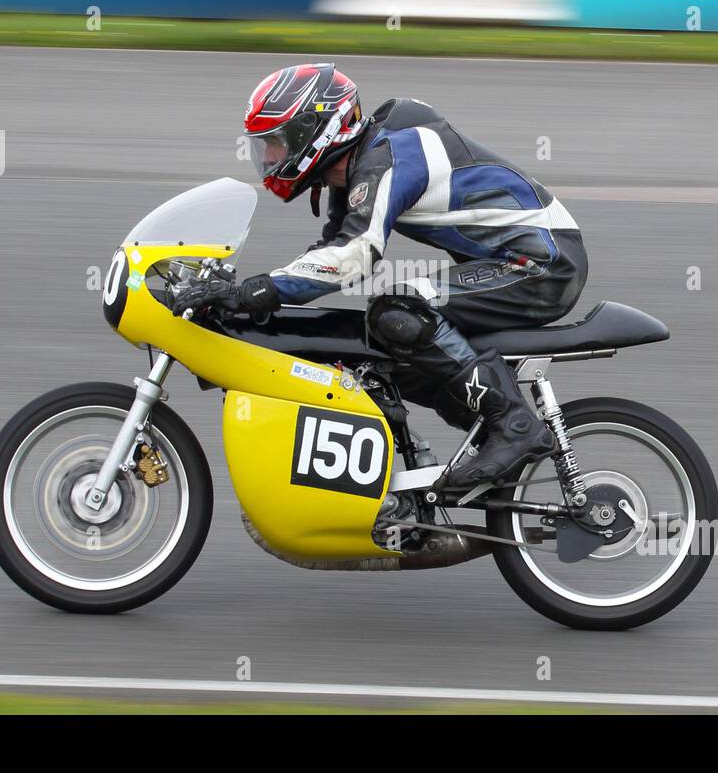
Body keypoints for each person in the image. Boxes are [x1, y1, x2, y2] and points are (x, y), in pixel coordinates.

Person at [174, 63, 587, 488]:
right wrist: (247, 289)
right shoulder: (355, 167)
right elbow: (331, 251)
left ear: (316, 131)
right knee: (381, 345)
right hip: (518, 259)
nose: (269, 158)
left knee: (398, 312)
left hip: (542, 264)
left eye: (277, 143)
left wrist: (256, 291)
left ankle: (513, 425)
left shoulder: (389, 156)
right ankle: (482, 428)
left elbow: (354, 256)